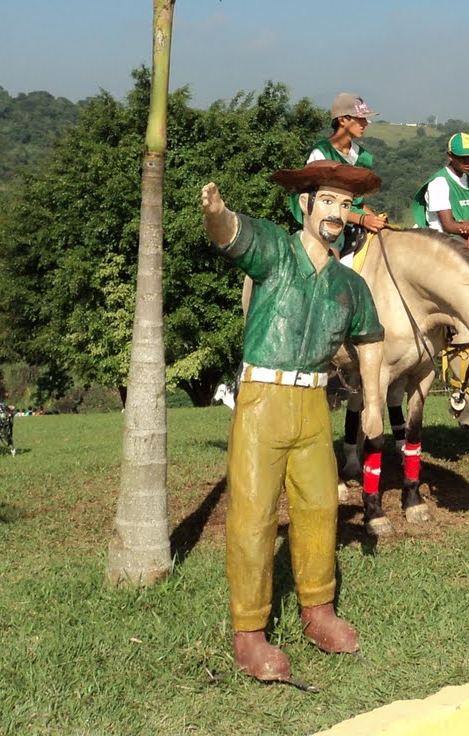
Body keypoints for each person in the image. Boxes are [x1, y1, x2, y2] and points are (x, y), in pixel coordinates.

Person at [202, 161, 385, 684]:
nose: (336, 213)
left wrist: (373, 402)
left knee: (320, 506)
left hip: (313, 404)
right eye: (327, 200)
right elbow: (232, 234)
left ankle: (317, 611)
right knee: (253, 513)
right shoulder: (275, 253)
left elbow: (370, 338)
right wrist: (216, 213)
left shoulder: (349, 284)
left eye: (344, 204)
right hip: (262, 400)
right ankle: (249, 631)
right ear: (303, 205)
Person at [287, 93, 389, 236]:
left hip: (352, 221)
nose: (365, 123)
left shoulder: (363, 157)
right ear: (342, 120)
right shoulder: (321, 153)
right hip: (324, 224)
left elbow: (356, 202)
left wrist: (374, 220)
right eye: (360, 118)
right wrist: (362, 219)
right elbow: (318, 204)